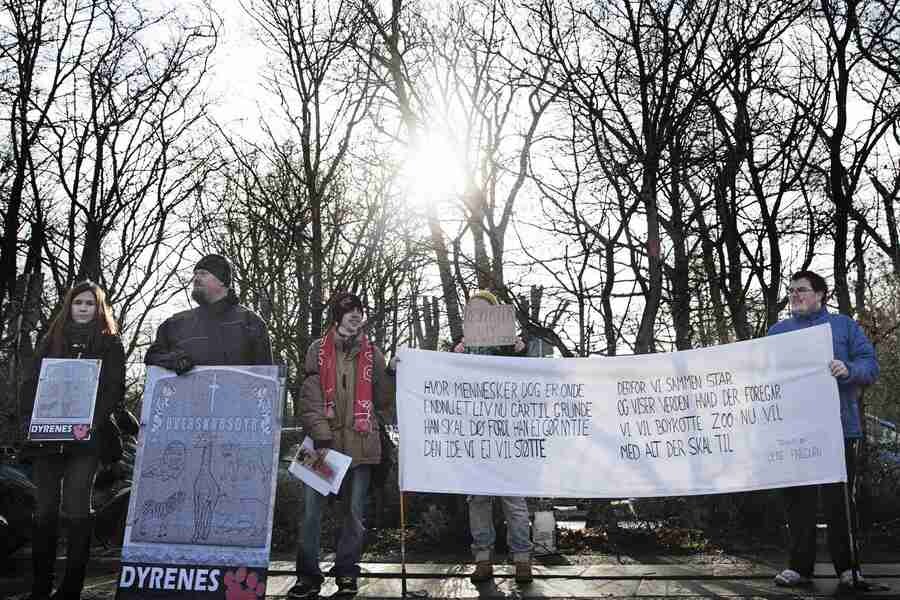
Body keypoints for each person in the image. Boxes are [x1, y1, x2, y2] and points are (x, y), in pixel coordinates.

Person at [769, 270, 879, 592]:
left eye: (801, 290)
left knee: (839, 503)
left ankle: (848, 569)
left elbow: (870, 365)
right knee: (797, 503)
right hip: (793, 430)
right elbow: (761, 373)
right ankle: (798, 568)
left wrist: (849, 369)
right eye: (791, 291)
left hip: (839, 429)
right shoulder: (777, 332)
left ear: (820, 294)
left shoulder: (843, 326)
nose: (794, 295)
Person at [20, 280, 126, 600]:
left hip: (86, 438)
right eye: (78, 302)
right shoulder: (51, 339)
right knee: (45, 510)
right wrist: (28, 421)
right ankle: (41, 586)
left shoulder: (111, 344)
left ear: (99, 309)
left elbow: (114, 390)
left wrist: (90, 423)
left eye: (90, 303)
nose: (83, 308)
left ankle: (71, 588)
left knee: (77, 506)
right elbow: (31, 384)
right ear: (70, 306)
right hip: (47, 436)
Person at [288, 292, 388, 599]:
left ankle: (347, 574)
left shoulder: (374, 353)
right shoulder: (316, 349)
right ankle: (307, 576)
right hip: (321, 444)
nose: (355, 314)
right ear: (337, 315)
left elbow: (384, 400)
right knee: (310, 513)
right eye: (348, 310)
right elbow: (309, 396)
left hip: (360, 443)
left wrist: (394, 373)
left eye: (359, 310)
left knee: (354, 515)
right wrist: (320, 432)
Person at [453, 289, 534, 585]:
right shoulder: (460, 347)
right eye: (472, 311)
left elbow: (529, 378)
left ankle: (522, 559)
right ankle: (483, 559)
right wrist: (454, 358)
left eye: (483, 310)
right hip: (475, 435)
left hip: (507, 434)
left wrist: (520, 351)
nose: (478, 316)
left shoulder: (509, 345)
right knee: (478, 500)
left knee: (514, 500)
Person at [145, 253, 272, 371]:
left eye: (203, 273)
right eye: (195, 274)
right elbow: (152, 357)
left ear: (222, 280)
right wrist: (173, 360)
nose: (196, 278)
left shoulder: (250, 322)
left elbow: (264, 376)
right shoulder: (175, 323)